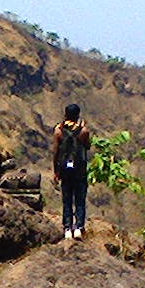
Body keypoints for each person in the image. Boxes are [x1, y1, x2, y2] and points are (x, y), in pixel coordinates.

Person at [52, 103, 91, 240]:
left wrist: (56, 171)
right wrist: (84, 127)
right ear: (78, 115)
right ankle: (79, 228)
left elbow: (56, 152)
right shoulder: (83, 131)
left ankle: (67, 228)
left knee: (67, 199)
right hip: (79, 169)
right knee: (80, 199)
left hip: (65, 169)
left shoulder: (58, 130)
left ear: (65, 114)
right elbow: (87, 146)